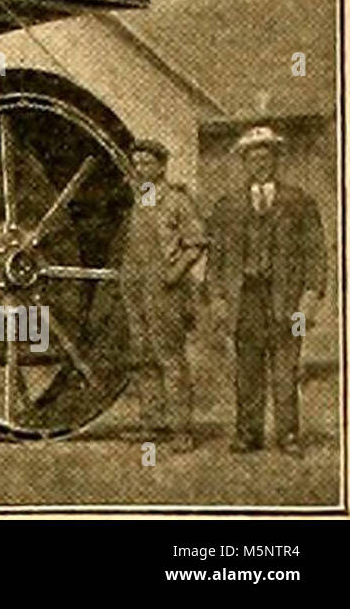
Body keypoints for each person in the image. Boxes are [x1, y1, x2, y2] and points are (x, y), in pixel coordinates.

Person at [207, 126, 325, 457]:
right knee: (247, 370)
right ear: (244, 161)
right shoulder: (227, 206)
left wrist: (310, 299)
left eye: (266, 155)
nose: (260, 162)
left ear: (276, 159)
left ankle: (288, 436)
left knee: (287, 368)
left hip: (287, 300)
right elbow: (215, 261)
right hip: (245, 300)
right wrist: (217, 298)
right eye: (253, 156)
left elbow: (316, 254)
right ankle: (248, 434)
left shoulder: (300, 201)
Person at [120, 138, 207, 453]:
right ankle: (152, 425)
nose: (141, 169)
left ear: (162, 166)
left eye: (147, 163)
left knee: (170, 358)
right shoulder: (138, 200)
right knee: (143, 356)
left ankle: (182, 430)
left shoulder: (177, 201)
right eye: (137, 163)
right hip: (136, 287)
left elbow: (196, 243)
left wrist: (174, 274)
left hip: (165, 290)